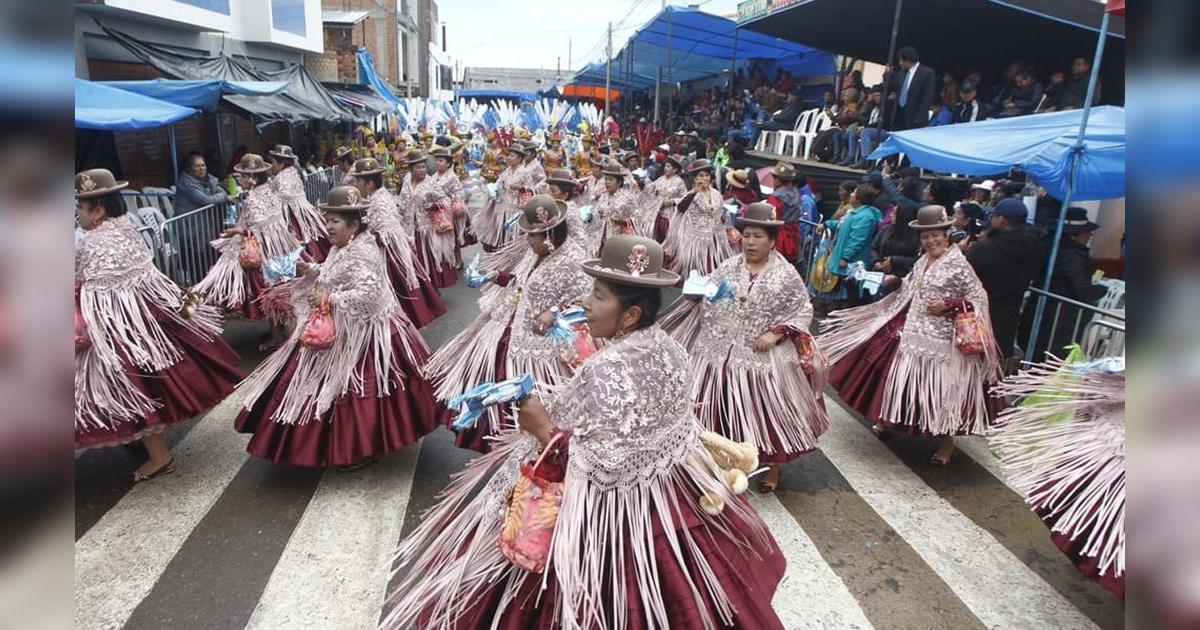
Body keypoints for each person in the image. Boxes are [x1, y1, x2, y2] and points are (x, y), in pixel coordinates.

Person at [382, 234, 787, 630]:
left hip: (607, 521)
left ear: (630, 315)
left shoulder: (606, 368)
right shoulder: (671, 349)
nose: (585, 304)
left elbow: (599, 466)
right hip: (668, 499)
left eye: (598, 296)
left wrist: (542, 429)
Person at [233, 186, 442, 470]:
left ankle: (361, 448)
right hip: (343, 328)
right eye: (327, 219)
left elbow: (370, 293)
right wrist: (313, 270)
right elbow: (337, 272)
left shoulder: (363, 251)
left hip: (367, 335)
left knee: (360, 392)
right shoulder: (343, 246)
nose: (328, 225)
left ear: (354, 225)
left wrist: (330, 298)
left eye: (335, 221)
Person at [74, 168, 244, 481]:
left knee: (133, 388)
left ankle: (160, 457)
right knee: (152, 384)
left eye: (80, 209)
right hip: (151, 319)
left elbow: (91, 288)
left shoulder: (92, 243)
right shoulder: (124, 226)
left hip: (120, 327)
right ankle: (146, 443)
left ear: (97, 210)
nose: (77, 215)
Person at [662, 202, 828, 492]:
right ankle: (714, 460)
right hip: (717, 352)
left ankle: (770, 466)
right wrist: (699, 294)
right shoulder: (727, 266)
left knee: (766, 412)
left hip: (760, 357)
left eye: (758, 237)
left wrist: (776, 334)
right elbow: (708, 297)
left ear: (772, 241)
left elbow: (802, 311)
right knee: (715, 408)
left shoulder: (786, 276)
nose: (750, 242)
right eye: (747, 235)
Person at [821, 205, 1003, 465]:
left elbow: (978, 298)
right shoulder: (923, 259)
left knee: (941, 393)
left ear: (947, 233)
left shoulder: (959, 264)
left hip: (941, 341)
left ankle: (946, 442)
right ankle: (887, 419)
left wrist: (950, 305)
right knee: (894, 378)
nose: (930, 241)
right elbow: (914, 285)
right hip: (910, 329)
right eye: (925, 236)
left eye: (935, 235)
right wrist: (897, 281)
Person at [423, 195, 593, 453]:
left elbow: (586, 305)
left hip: (542, 351)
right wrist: (495, 276)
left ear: (548, 236)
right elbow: (521, 281)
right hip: (511, 330)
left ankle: (527, 444)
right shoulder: (539, 254)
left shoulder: (572, 261)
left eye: (532, 236)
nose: (527, 240)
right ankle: (501, 444)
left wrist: (555, 312)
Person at [193, 154, 298, 328]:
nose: (239, 180)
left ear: (252, 179)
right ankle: (279, 332)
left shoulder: (254, 199)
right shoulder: (269, 191)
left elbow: (258, 228)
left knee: (268, 293)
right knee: (275, 292)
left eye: (241, 176)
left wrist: (237, 231)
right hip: (277, 251)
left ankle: (278, 335)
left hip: (263, 254)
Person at [350, 156, 446, 328]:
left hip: (389, 252)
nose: (356, 184)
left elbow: (385, 233)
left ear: (369, 183)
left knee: (396, 290)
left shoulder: (380, 200)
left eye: (358, 181)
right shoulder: (379, 196)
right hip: (399, 238)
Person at [966, 198, 1046, 361]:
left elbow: (963, 278)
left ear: (1001, 220)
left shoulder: (984, 248)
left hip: (976, 322)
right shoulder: (1036, 248)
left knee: (970, 373)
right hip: (1007, 324)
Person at [1025, 207, 1107, 362]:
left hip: (1039, 317)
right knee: (1049, 367)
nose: (1090, 235)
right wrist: (1101, 289)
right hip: (1060, 326)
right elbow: (1082, 291)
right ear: (1074, 236)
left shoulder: (1047, 248)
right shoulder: (1073, 257)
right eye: (1086, 232)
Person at [664, 158, 736, 278]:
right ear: (695, 179)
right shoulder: (692, 194)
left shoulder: (717, 194)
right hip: (696, 240)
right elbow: (681, 208)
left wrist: (729, 229)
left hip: (716, 238)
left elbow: (721, 213)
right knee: (697, 271)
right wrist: (693, 192)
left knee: (715, 268)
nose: (704, 178)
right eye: (701, 175)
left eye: (707, 175)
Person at [397, 149, 458, 289]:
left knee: (429, 260)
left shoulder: (431, 182)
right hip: (409, 229)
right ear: (411, 169)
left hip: (427, 229)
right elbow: (402, 202)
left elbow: (445, 199)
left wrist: (435, 205)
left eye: (424, 167)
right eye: (418, 167)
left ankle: (431, 288)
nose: (422, 170)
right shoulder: (406, 183)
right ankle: (422, 290)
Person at [822, 183, 883, 305]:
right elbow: (841, 224)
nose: (851, 195)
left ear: (859, 199)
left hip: (855, 263)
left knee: (855, 293)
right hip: (848, 260)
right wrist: (826, 224)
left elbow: (857, 240)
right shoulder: (855, 213)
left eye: (854, 193)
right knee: (849, 289)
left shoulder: (865, 217)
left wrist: (846, 257)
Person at [268, 144, 330, 261]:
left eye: (273, 162)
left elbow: (281, 201)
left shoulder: (281, 178)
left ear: (281, 164)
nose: (272, 166)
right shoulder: (294, 173)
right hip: (305, 213)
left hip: (292, 215)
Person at [430, 146, 472, 269]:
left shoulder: (452, 177)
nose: (438, 163)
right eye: (437, 160)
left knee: (453, 238)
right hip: (437, 211)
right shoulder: (433, 176)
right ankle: (445, 260)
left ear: (448, 164)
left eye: (441, 161)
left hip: (450, 212)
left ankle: (458, 259)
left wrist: (448, 199)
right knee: (440, 237)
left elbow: (460, 194)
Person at [590, 159, 641, 255]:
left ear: (619, 182)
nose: (607, 182)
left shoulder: (627, 197)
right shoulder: (603, 196)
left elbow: (637, 217)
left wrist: (622, 221)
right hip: (601, 236)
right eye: (606, 179)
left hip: (620, 237)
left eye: (611, 179)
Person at [764, 162, 808, 264]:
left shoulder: (775, 198)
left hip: (779, 239)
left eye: (774, 178)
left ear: (778, 180)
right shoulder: (796, 194)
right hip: (794, 238)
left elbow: (772, 221)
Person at [888, 47, 937, 130]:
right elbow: (893, 88)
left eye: (901, 61)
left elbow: (927, 97)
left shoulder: (927, 73)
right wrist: (888, 76)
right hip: (899, 115)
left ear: (907, 61)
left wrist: (919, 118)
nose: (899, 63)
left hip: (914, 117)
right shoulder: (902, 73)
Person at [643, 153, 686, 243]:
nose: (665, 168)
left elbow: (685, 198)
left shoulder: (679, 182)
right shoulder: (661, 179)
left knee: (668, 236)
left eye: (668, 166)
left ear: (675, 169)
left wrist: (672, 202)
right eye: (665, 166)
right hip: (658, 211)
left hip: (671, 213)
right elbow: (650, 189)